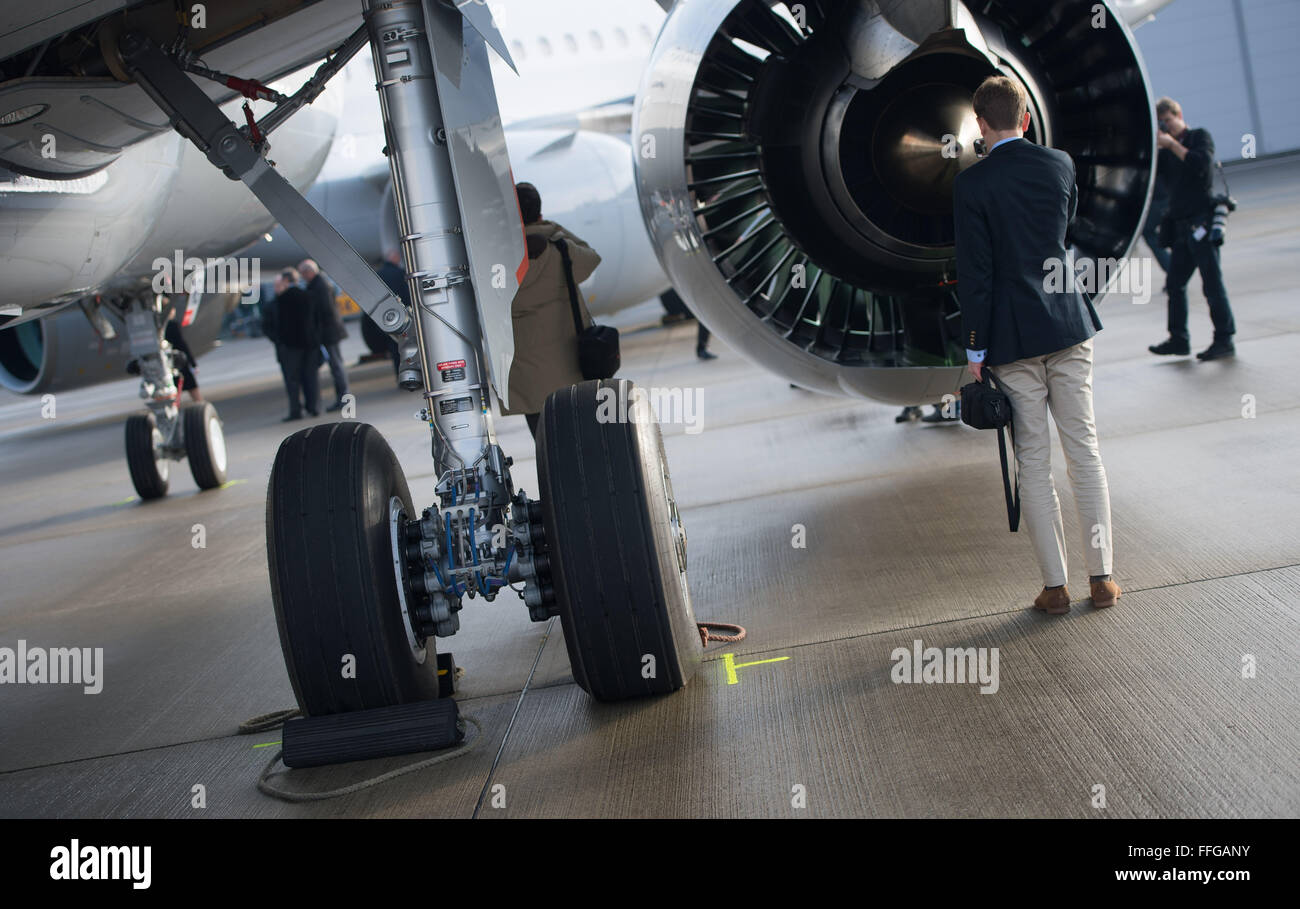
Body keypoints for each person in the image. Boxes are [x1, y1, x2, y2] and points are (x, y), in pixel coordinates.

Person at [953, 75, 1120, 615]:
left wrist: (975, 351)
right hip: (1068, 325)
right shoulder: (1061, 165)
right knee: (1085, 453)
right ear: (1025, 118)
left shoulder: (971, 187)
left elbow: (975, 277)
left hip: (1012, 339)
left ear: (981, 125)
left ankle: (1055, 588)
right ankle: (1103, 579)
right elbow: (1061, 235)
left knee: (1034, 463)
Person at [502, 182, 601, 439]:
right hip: (569, 366)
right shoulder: (559, 248)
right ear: (539, 211)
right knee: (580, 444)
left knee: (547, 449)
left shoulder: (499, 254)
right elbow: (591, 259)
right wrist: (553, 229)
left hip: (529, 378)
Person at [1147, 97, 1236, 361]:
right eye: (1161, 123)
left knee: (1212, 284)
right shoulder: (1165, 152)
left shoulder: (1199, 137)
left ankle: (1224, 338)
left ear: (1178, 114)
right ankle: (1179, 338)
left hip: (1202, 223)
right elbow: (1152, 174)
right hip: (1182, 227)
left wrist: (1173, 144)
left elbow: (1202, 165)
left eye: (1168, 120)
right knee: (1175, 284)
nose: (1167, 126)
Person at [298, 258, 351, 409]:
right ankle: (342, 396)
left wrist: (318, 331)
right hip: (330, 331)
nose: (302, 277)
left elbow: (325, 311)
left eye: (303, 273)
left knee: (337, 366)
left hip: (329, 332)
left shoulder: (320, 286)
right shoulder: (320, 284)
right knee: (336, 365)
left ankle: (344, 398)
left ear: (309, 272)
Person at [272, 268, 321, 421]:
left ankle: (296, 410)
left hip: (292, 345)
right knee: (311, 376)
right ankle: (314, 407)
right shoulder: (308, 295)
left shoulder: (282, 299)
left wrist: (281, 341)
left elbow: (280, 324)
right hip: (310, 343)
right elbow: (317, 320)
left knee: (293, 379)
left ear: (286, 281)